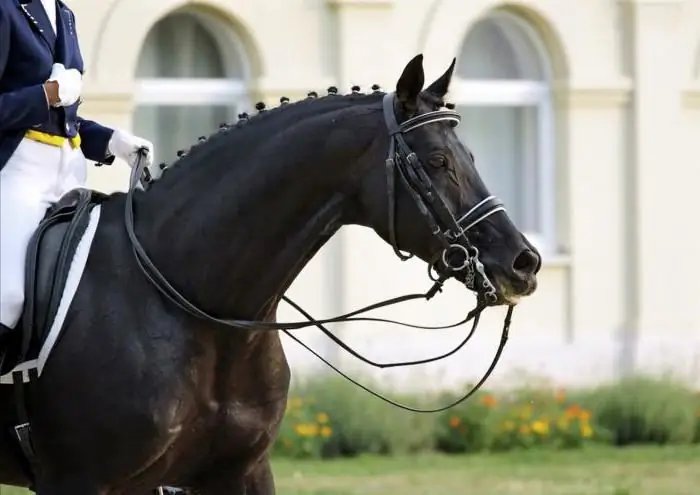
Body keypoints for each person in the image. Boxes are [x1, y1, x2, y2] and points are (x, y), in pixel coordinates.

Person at [0, 0, 155, 339]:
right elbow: (46, 102)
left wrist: (110, 141)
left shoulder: (65, 15)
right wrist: (45, 94)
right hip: (18, 174)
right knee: (7, 298)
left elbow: (64, 119)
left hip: (70, 176)